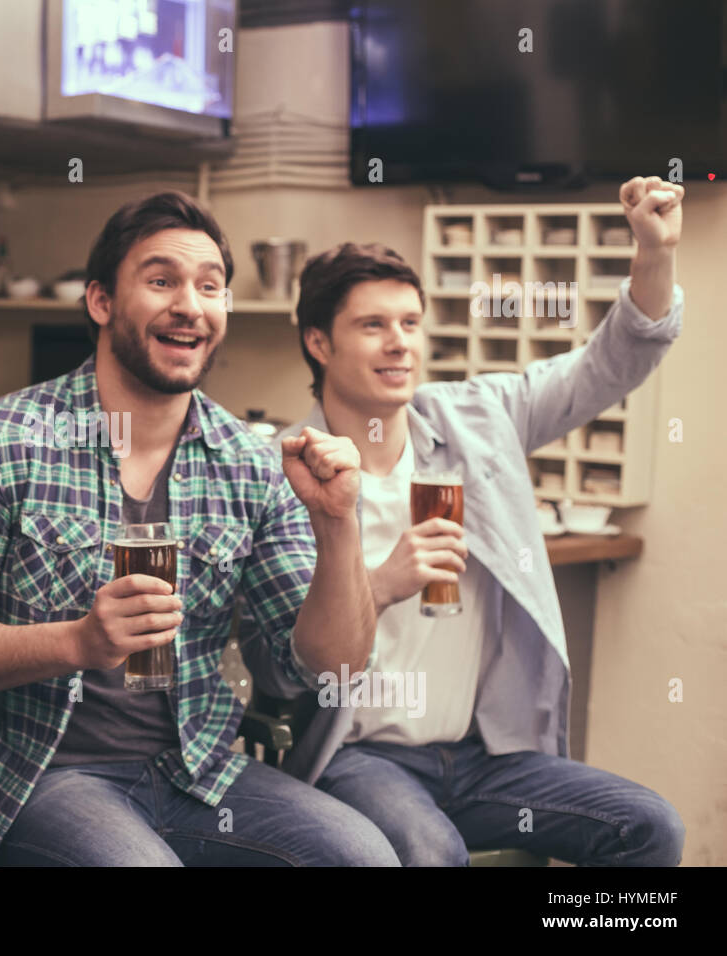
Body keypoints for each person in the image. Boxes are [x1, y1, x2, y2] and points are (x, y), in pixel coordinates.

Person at [0, 191, 399, 867]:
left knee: (365, 857)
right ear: (101, 301)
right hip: (42, 775)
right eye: (161, 281)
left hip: (199, 770)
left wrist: (336, 525)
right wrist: (78, 641)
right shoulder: (3, 439)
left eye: (210, 287)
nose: (190, 305)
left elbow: (317, 670)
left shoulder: (251, 462)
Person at [249, 176, 687, 866]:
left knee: (649, 826)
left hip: (482, 755)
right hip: (358, 756)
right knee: (432, 852)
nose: (399, 344)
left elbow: (609, 365)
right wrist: (381, 583)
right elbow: (282, 671)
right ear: (319, 343)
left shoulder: (476, 420)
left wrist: (654, 253)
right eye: (373, 325)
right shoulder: (283, 471)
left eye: (410, 323)